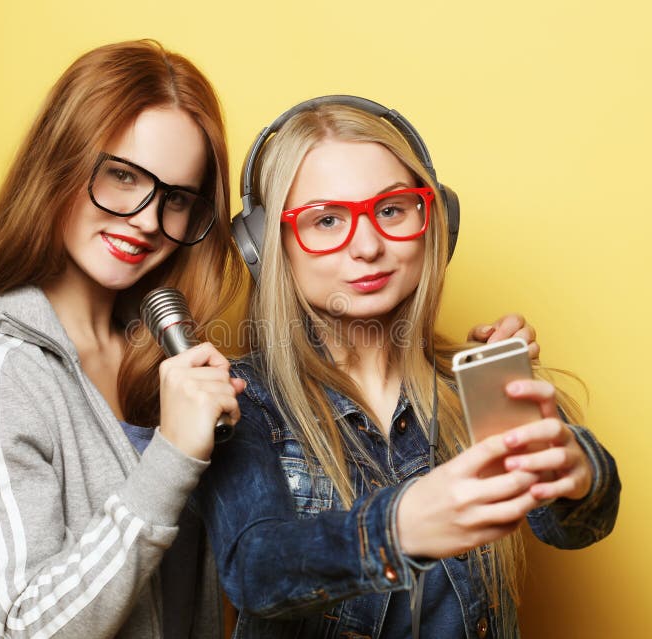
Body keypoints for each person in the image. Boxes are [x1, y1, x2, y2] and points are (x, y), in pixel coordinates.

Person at [196, 99, 621, 638]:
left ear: (435, 220)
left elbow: (576, 527)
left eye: (392, 209)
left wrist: (573, 470)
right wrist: (400, 528)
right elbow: (256, 570)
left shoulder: (470, 385)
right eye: (326, 220)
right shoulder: (240, 399)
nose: (368, 246)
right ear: (266, 247)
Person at [0, 40, 247, 638]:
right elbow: (28, 626)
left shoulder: (162, 357)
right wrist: (172, 457)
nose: (146, 219)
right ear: (58, 163)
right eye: (123, 176)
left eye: (175, 199)